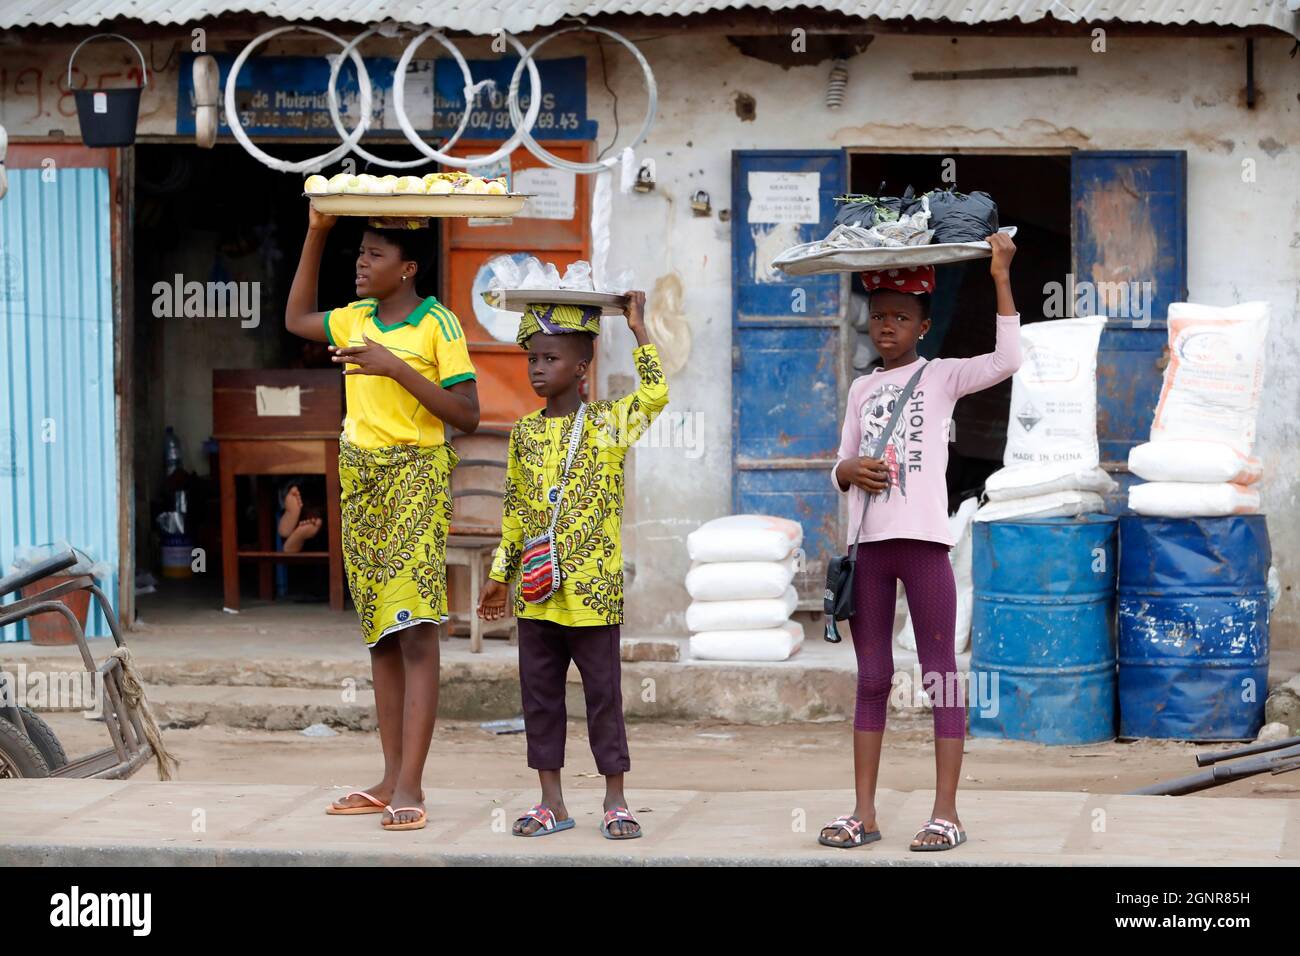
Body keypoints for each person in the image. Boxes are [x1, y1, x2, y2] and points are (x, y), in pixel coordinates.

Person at [820, 233, 1020, 852]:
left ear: (922, 326)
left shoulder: (940, 378)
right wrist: (846, 471)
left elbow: (1006, 359)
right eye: (879, 316)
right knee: (872, 677)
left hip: (926, 546)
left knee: (942, 678)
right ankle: (864, 813)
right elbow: (840, 462)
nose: (886, 327)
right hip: (870, 551)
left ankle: (946, 813)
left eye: (900, 318)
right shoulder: (859, 390)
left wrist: (1000, 275)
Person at [285, 207, 480, 832]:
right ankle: (390, 774)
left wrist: (395, 368)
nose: (361, 263)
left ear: (408, 268)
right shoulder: (356, 317)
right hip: (361, 479)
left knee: (417, 630)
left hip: (415, 479)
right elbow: (294, 320)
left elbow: (469, 413)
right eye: (359, 252)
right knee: (381, 634)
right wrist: (317, 231)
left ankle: (412, 785)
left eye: (374, 255)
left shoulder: (437, 325)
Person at [477, 291, 668, 840]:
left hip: (594, 595)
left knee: (604, 698)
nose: (538, 369)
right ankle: (551, 801)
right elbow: (514, 511)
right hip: (538, 592)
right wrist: (499, 576)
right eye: (532, 358)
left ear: (582, 368)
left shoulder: (609, 425)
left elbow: (655, 394)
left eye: (550, 359)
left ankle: (615, 798)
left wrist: (639, 330)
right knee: (539, 698)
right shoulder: (524, 434)